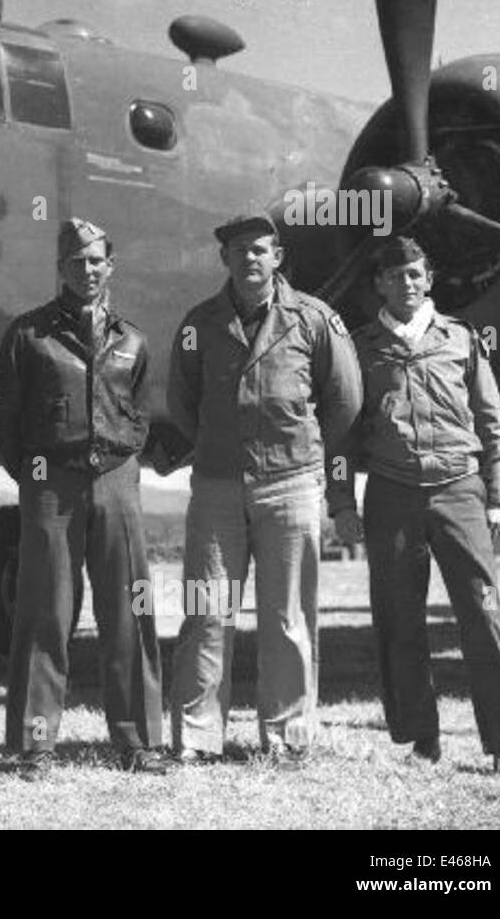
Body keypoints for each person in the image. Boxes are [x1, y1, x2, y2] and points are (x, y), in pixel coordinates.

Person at [168, 212, 362, 765]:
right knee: (206, 611)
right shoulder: (199, 323)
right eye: (239, 251)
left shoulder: (315, 318)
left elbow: (344, 399)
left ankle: (286, 738)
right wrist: (222, 442)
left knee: (288, 615)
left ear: (278, 256)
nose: (250, 259)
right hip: (216, 485)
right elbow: (184, 403)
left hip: (291, 483)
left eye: (260, 249)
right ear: (223, 259)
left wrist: (298, 447)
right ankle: (198, 738)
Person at [331, 237, 500, 774]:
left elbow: (493, 422)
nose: (407, 284)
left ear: (430, 278)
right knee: (400, 622)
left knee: (484, 614)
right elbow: (344, 436)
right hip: (392, 495)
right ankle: (422, 740)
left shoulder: (461, 339)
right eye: (395, 276)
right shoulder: (360, 346)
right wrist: (341, 502)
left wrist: (498, 495)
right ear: (379, 284)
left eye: (416, 274)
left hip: (460, 489)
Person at [0, 218, 166, 779]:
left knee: (130, 610)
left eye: (95, 262)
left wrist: (120, 456)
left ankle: (138, 742)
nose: (86, 272)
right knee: (44, 612)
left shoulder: (132, 339)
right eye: (74, 263)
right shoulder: (29, 335)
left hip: (117, 480)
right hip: (51, 484)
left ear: (108, 266)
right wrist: (37, 474)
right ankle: (34, 744)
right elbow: (6, 421)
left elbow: (139, 412)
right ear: (60, 268)